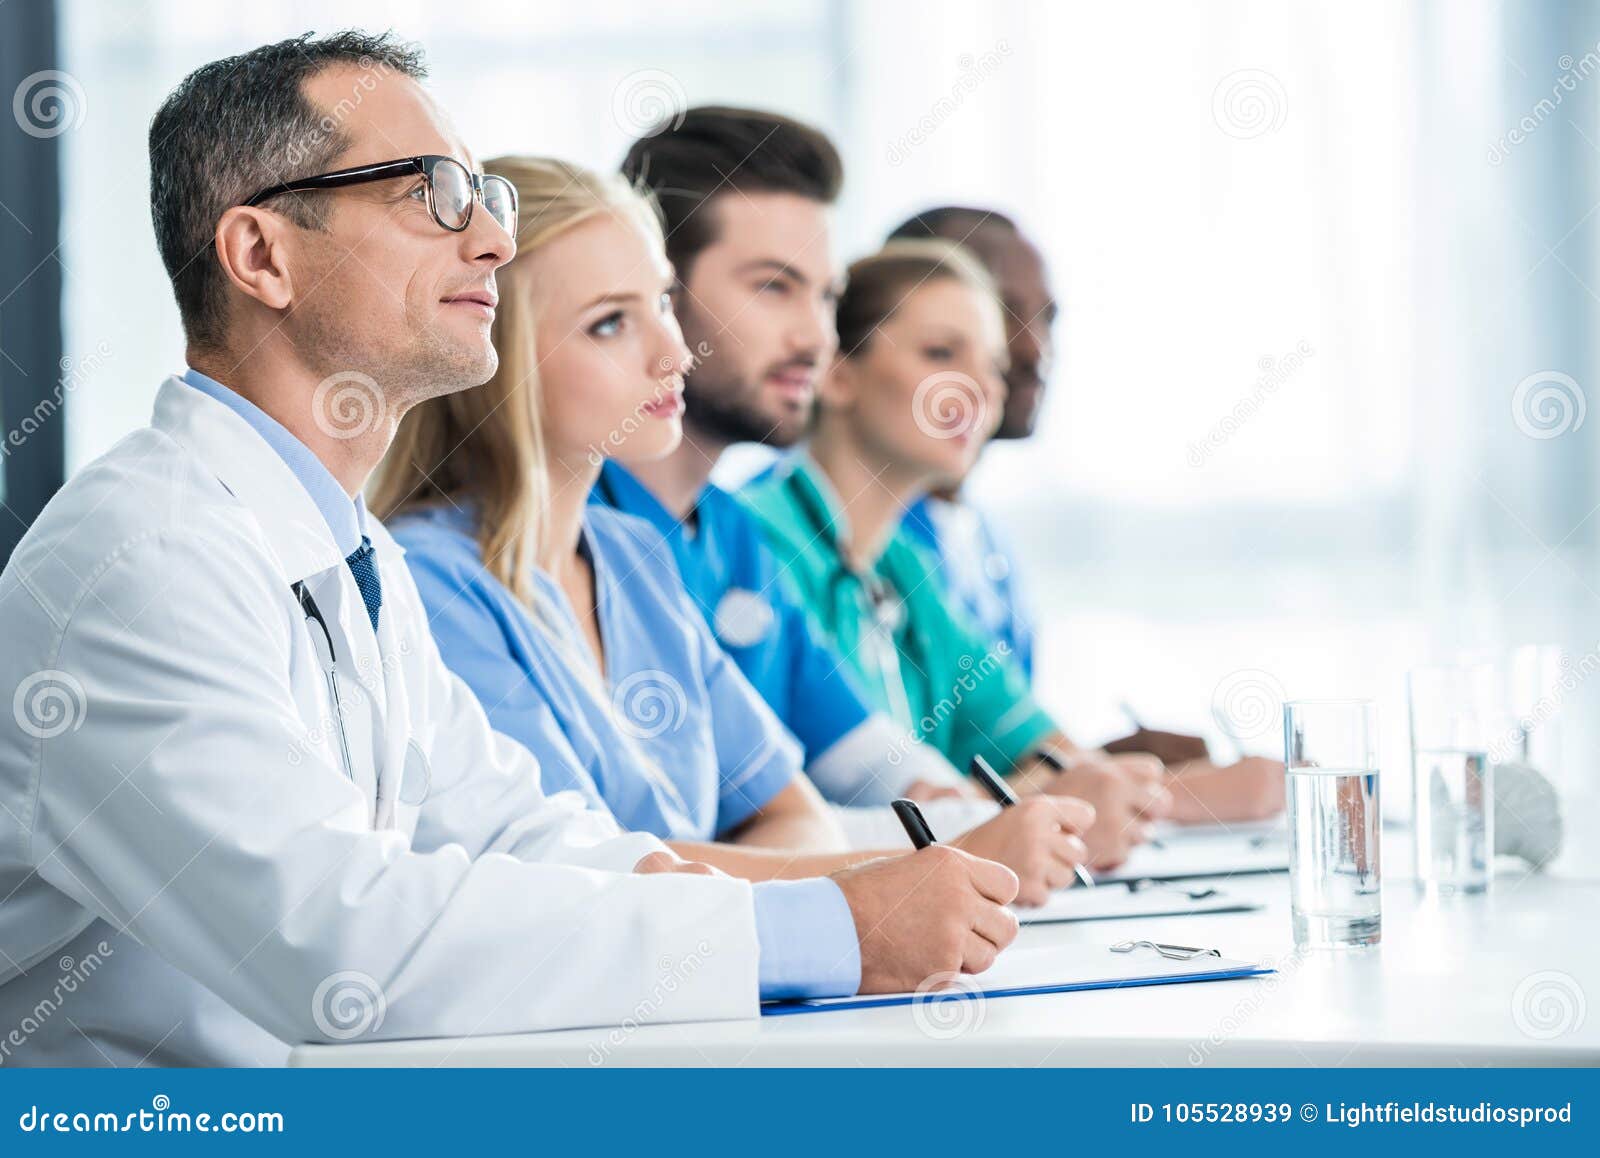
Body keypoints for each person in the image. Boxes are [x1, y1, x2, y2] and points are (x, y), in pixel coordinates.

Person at [0, 33, 1018, 1067]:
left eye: (486, 194)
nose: (489, 238)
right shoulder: (139, 562)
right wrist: (824, 931)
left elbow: (524, 840)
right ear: (263, 255)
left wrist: (852, 894)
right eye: (429, 193)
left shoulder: (349, 555)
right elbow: (339, 943)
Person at [373, 156, 1091, 905]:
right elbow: (581, 877)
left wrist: (750, 875)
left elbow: (794, 815)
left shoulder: (632, 557)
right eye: (611, 324)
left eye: (661, 305)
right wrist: (910, 870)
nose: (674, 353)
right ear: (494, 352)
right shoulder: (433, 588)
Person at [610, 106, 1171, 860]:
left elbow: (866, 770)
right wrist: (1018, 821)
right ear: (657, 295)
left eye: (824, 297)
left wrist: (1009, 820)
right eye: (774, 288)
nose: (813, 336)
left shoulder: (731, 537)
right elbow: (667, 847)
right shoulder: (601, 538)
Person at [890, 208, 1284, 818]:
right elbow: (896, 798)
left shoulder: (983, 540)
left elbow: (985, 757)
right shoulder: (855, 538)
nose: (1031, 348)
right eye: (1000, 313)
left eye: (1046, 317)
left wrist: (1100, 764)